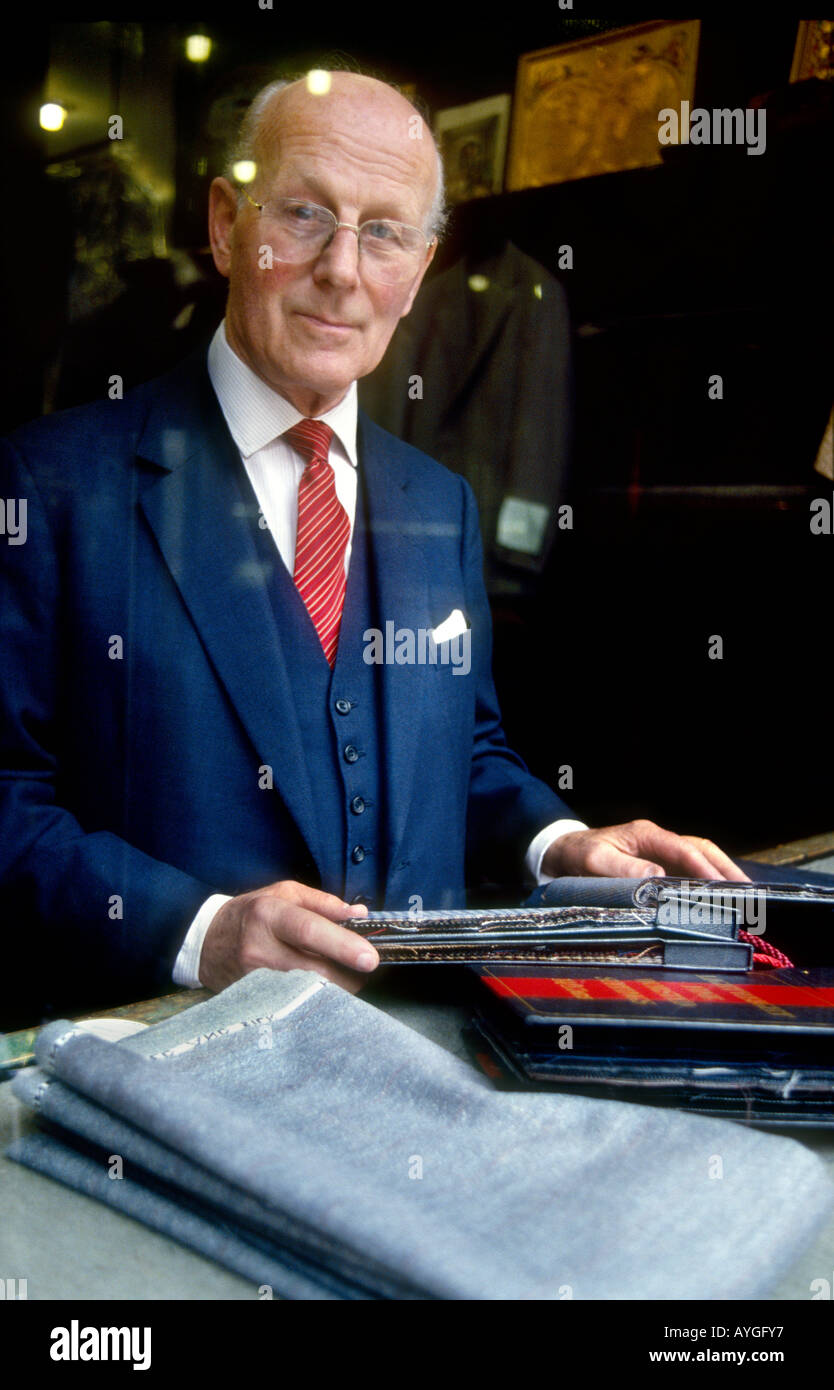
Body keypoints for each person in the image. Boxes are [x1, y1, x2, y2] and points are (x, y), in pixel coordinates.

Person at [0, 72, 746, 1021]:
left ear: (420, 269)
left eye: (384, 232)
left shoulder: (440, 503)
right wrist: (197, 931)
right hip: (149, 1082)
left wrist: (558, 843)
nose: (343, 270)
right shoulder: (49, 487)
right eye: (307, 214)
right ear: (228, 226)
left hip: (409, 1069)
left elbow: (463, 758)